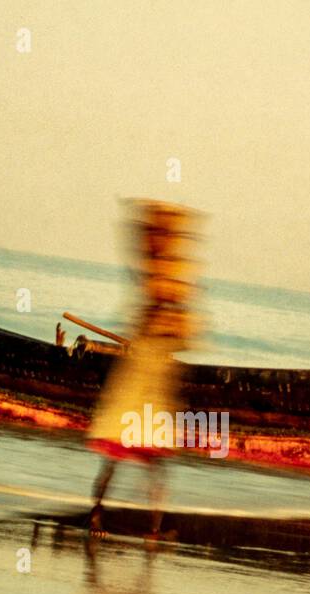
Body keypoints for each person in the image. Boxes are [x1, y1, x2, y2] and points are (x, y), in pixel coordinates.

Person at [86, 200, 202, 539]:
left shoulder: (158, 281)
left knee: (126, 462)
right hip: (146, 386)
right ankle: (145, 527)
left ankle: (103, 518)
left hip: (146, 384)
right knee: (149, 465)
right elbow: (173, 331)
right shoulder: (161, 286)